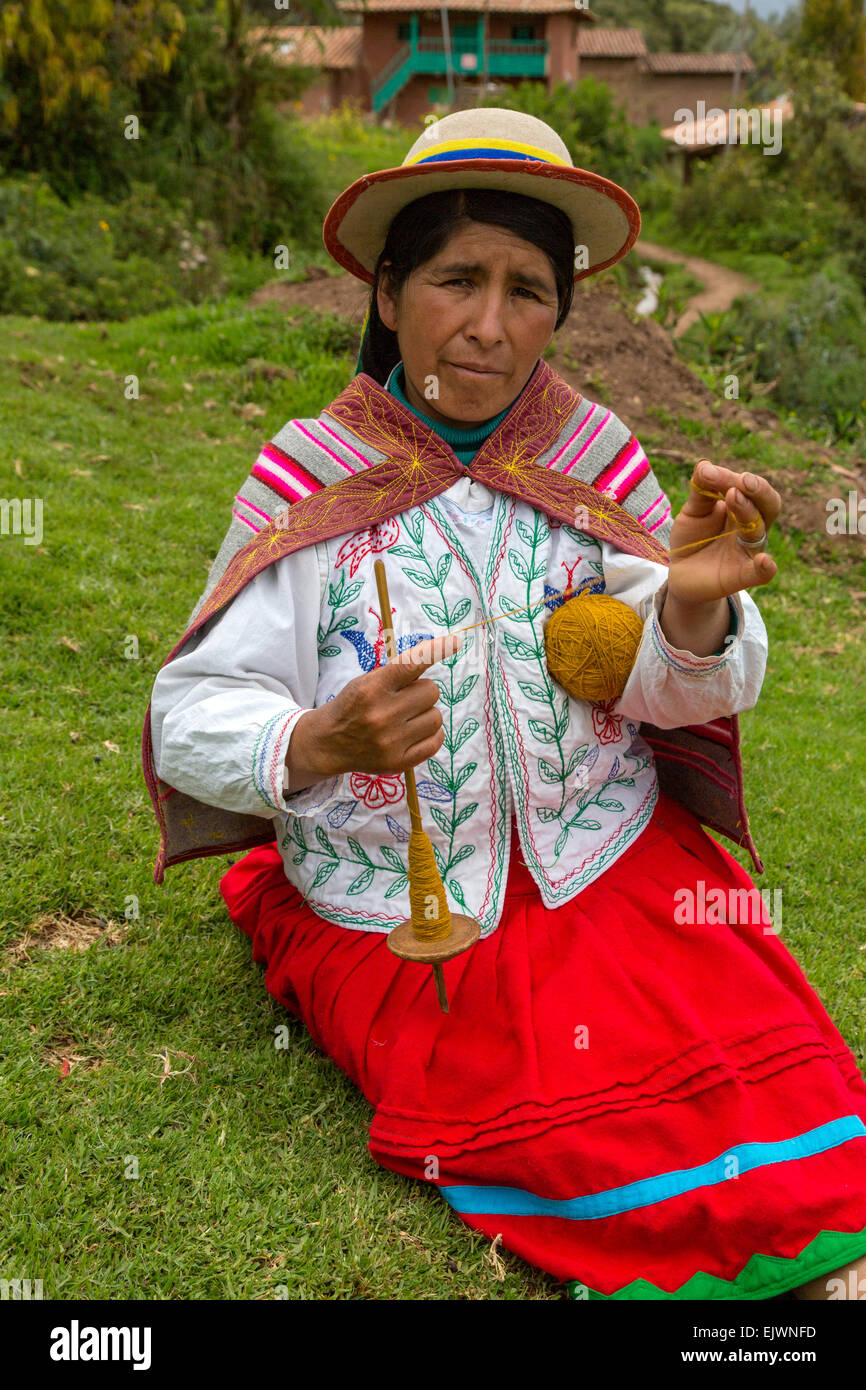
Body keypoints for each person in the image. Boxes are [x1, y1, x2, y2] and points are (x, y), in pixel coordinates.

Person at [143, 109, 866, 1300]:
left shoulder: (593, 455)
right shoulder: (311, 474)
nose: (488, 325)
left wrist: (683, 611)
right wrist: (316, 737)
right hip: (400, 902)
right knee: (553, 1123)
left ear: (559, 314)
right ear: (385, 294)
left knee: (778, 1081)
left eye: (527, 290)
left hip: (607, 858)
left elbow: (649, 689)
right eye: (454, 278)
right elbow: (191, 709)